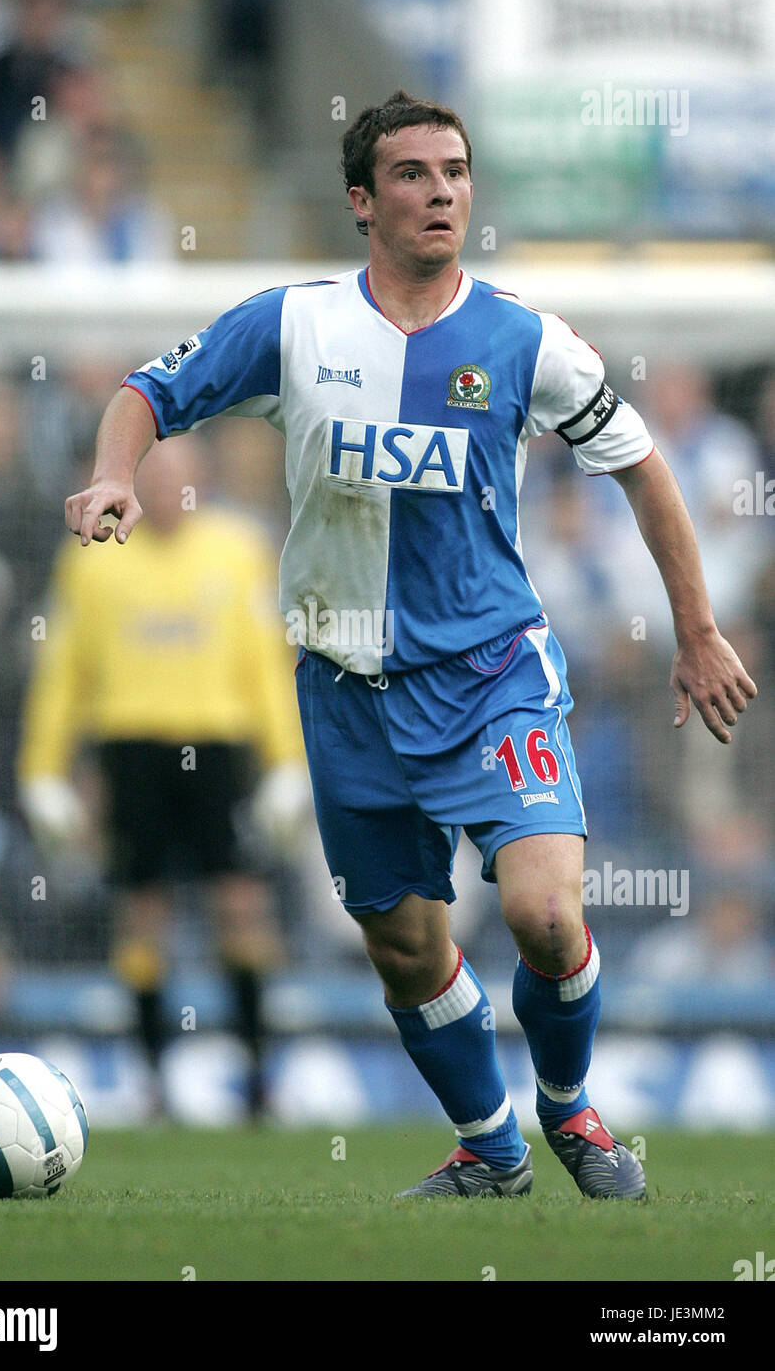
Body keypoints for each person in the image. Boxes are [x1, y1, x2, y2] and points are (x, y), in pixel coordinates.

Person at [64, 91, 757, 1198]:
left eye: (454, 172)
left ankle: (569, 1107)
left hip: (491, 674)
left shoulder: (524, 340)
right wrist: (113, 474)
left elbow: (639, 465)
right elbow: (147, 392)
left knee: (543, 914)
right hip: (346, 689)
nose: (440, 192)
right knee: (406, 949)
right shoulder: (292, 325)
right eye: (411, 174)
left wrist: (697, 630)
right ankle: (490, 1148)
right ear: (360, 200)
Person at [24, 435, 308, 1116]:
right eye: (155, 477)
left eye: (181, 476)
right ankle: (153, 1079)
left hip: (218, 749)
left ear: (200, 480)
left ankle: (257, 1076)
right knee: (142, 911)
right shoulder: (92, 559)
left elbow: (265, 667)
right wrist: (42, 771)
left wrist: (286, 765)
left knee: (240, 905)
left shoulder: (237, 551)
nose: (170, 491)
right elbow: (63, 672)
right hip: (131, 749)